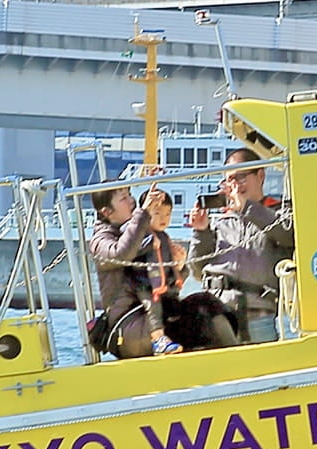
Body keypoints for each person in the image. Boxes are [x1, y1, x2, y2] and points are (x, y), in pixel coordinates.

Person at [191, 148, 295, 342]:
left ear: (260, 175)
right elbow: (197, 271)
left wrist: (247, 208)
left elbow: (287, 235)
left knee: (265, 370)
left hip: (260, 314)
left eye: (241, 177)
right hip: (219, 314)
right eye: (230, 180)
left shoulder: (278, 213)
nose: (235, 185)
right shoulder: (219, 221)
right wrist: (201, 231)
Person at [87, 184, 188, 358]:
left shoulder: (145, 230)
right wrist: (143, 214)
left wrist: (180, 267)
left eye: (129, 195)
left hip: (158, 311)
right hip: (128, 327)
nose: (132, 200)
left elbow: (167, 281)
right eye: (123, 198)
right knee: (192, 322)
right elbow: (122, 252)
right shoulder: (100, 240)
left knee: (205, 307)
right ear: (107, 212)